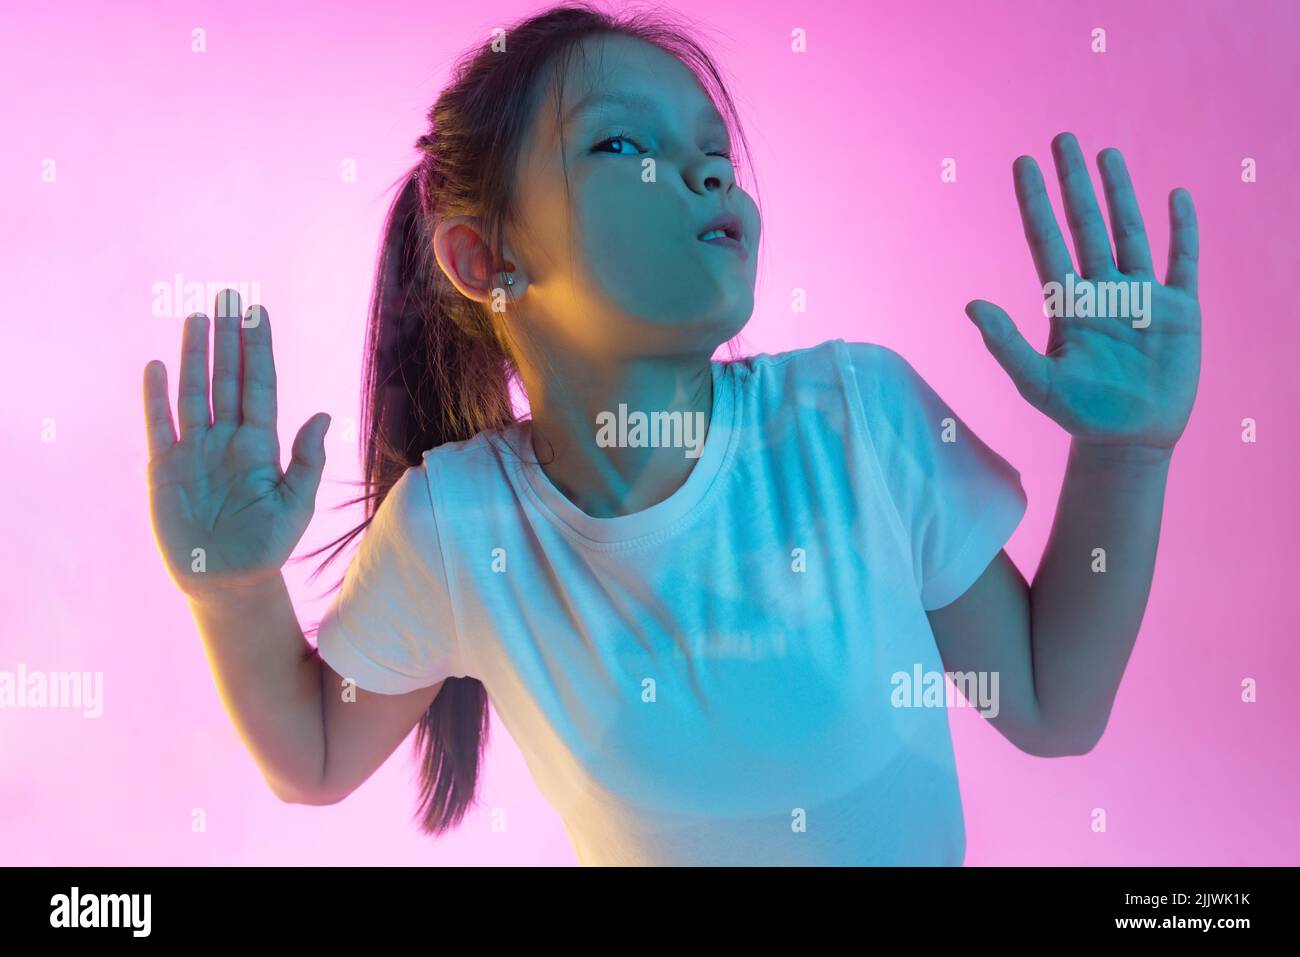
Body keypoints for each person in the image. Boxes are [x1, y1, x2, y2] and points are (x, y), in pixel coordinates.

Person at [141, 3, 1201, 865]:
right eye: (621, 144)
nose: (703, 173)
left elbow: (1053, 706)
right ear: (483, 258)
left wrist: (1125, 453)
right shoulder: (461, 526)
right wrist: (230, 591)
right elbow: (316, 758)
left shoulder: (856, 417)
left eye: (711, 152)